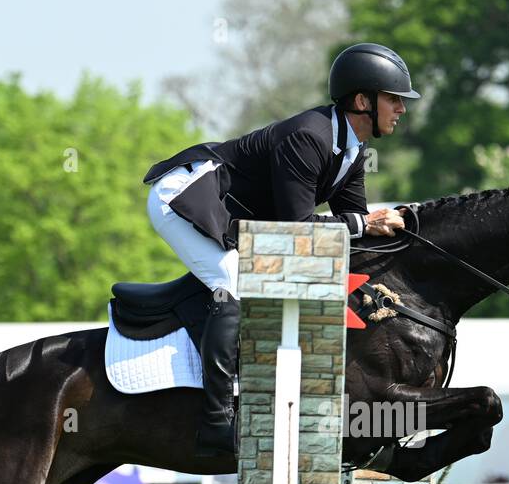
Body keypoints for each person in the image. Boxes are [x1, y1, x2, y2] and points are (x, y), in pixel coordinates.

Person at [141, 43, 419, 459]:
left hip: (231, 212)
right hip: (186, 195)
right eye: (394, 99)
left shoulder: (353, 153)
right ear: (363, 101)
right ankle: (217, 420)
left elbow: (351, 235)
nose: (401, 109)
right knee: (232, 282)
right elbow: (299, 232)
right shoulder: (310, 137)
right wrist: (365, 224)